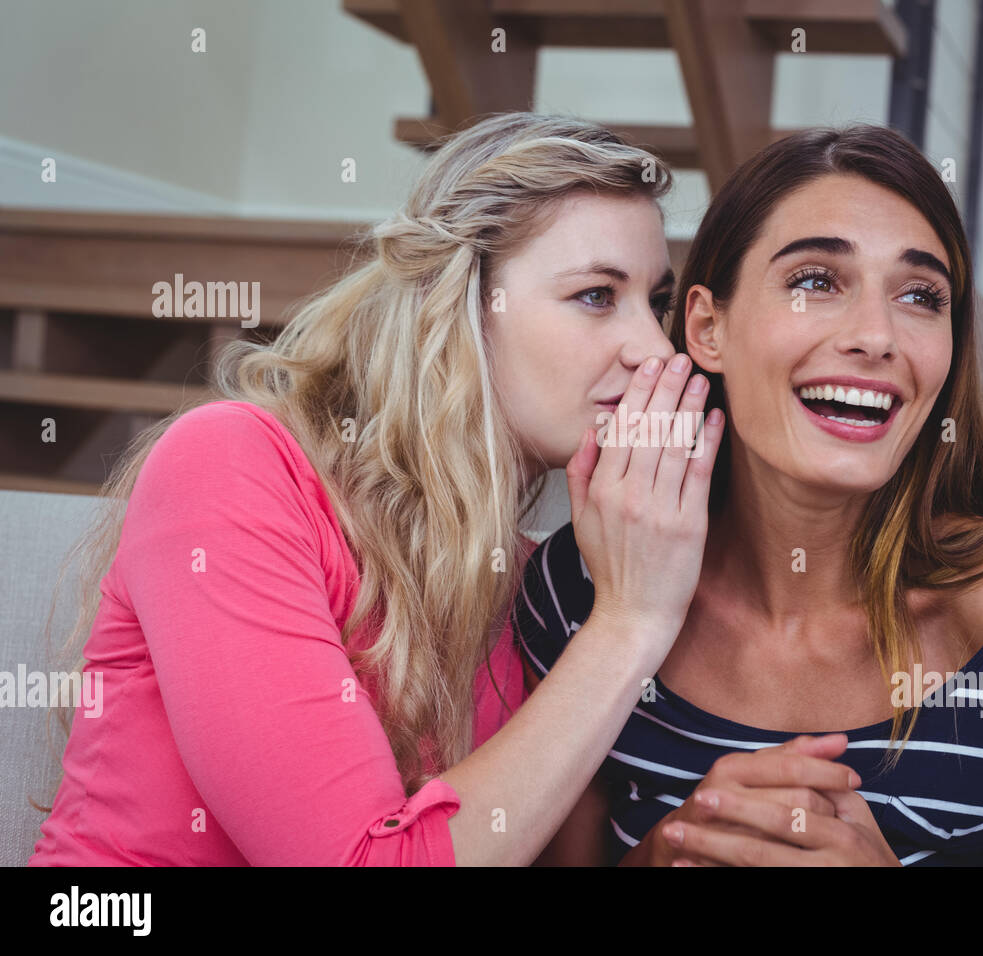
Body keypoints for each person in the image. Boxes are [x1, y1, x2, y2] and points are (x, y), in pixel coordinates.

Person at [27, 111, 752, 866]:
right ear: (460, 306)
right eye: (598, 296)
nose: (649, 347)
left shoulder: (539, 583)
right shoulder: (230, 466)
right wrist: (630, 623)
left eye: (655, 303)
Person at [516, 124, 983, 866]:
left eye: (920, 295)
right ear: (707, 327)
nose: (876, 336)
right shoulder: (580, 588)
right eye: (815, 280)